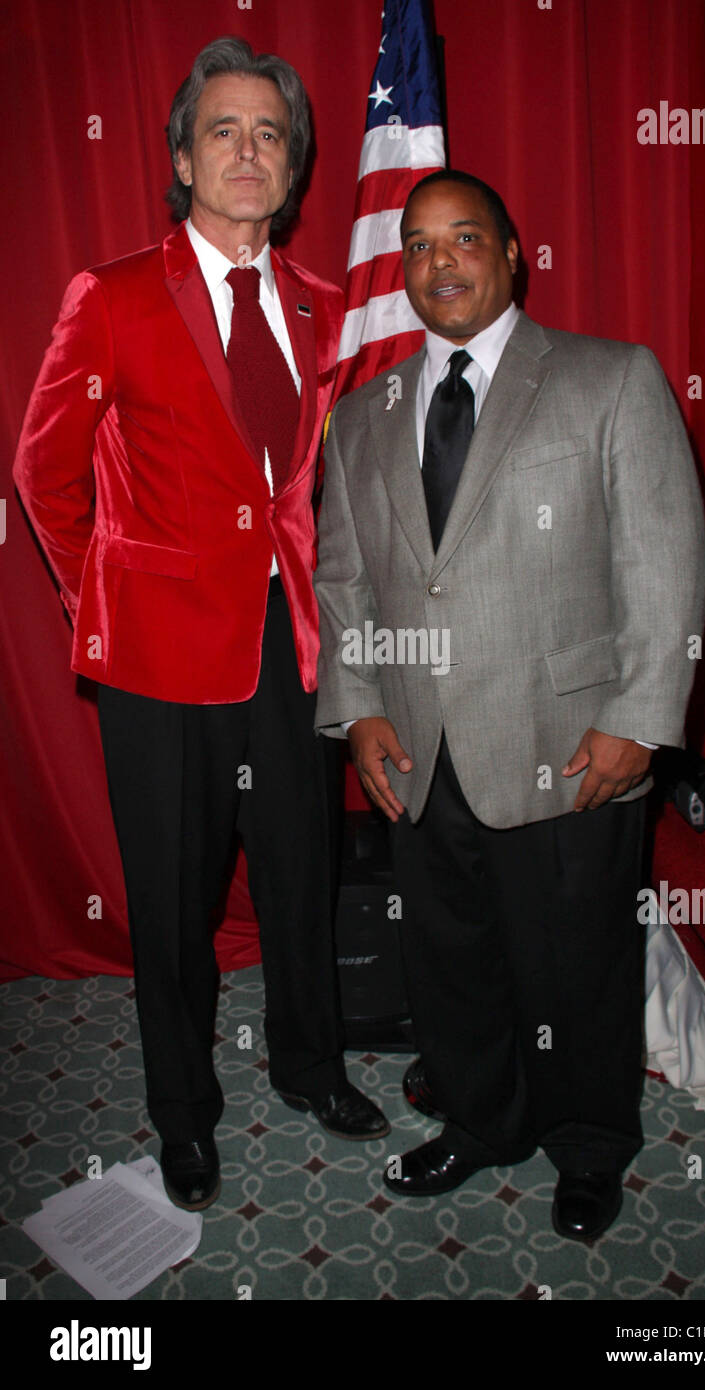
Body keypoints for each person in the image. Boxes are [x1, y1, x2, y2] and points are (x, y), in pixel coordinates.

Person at [13, 36, 388, 1213]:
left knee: (299, 871)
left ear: (292, 171)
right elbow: (41, 472)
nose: (246, 150)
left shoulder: (329, 311)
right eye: (221, 129)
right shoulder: (112, 295)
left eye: (268, 134)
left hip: (290, 642)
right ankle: (184, 1111)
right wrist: (109, 600)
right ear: (182, 157)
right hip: (156, 661)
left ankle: (310, 1062)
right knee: (172, 901)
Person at [313, 169, 705, 1240]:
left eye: (464, 239)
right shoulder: (359, 419)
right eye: (421, 246)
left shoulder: (608, 379)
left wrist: (637, 720)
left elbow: (665, 563)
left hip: (570, 742)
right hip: (420, 750)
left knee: (577, 962)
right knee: (448, 959)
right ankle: (482, 1120)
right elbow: (342, 582)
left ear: (512, 252)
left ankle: (587, 1144)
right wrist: (358, 711)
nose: (440, 263)